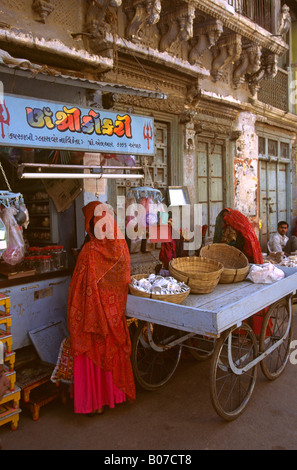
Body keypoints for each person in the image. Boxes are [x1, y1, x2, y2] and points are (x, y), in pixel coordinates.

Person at [67, 200, 135, 416]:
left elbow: (79, 287)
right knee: (111, 350)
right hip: (113, 314)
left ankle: (94, 402)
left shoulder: (90, 251)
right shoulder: (120, 245)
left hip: (92, 316)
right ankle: (114, 397)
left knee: (93, 351)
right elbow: (123, 278)